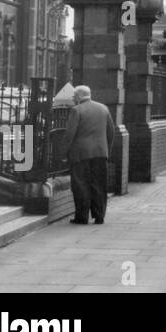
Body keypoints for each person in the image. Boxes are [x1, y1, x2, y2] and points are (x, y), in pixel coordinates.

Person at [64, 85, 116, 226]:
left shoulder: (76, 110)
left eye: (74, 96)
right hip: (100, 153)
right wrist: (107, 150)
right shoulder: (103, 108)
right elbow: (111, 132)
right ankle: (99, 216)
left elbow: (70, 135)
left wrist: (65, 152)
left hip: (81, 155)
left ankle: (82, 217)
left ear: (80, 96)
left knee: (81, 185)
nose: (73, 99)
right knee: (99, 184)